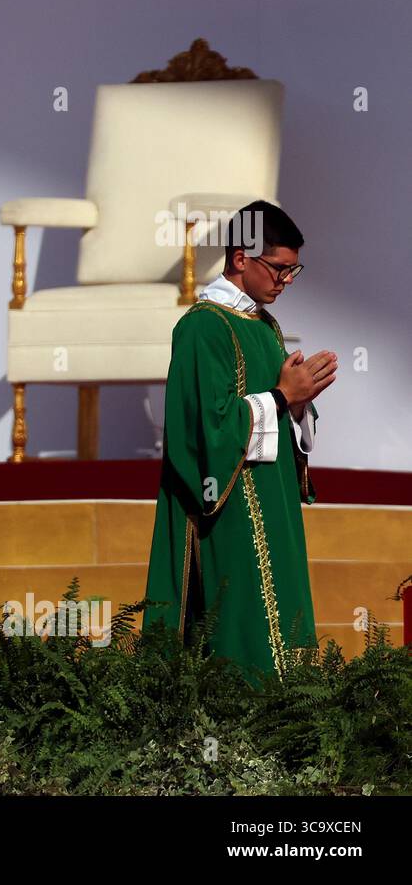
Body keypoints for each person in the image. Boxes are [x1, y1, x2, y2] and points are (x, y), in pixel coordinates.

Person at [144, 201, 336, 681]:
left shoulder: (264, 326)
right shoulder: (202, 326)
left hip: (274, 499)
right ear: (241, 258)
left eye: (294, 271)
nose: (285, 281)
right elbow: (204, 429)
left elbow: (275, 410)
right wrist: (278, 396)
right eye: (279, 269)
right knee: (243, 628)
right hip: (225, 503)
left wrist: (297, 404)